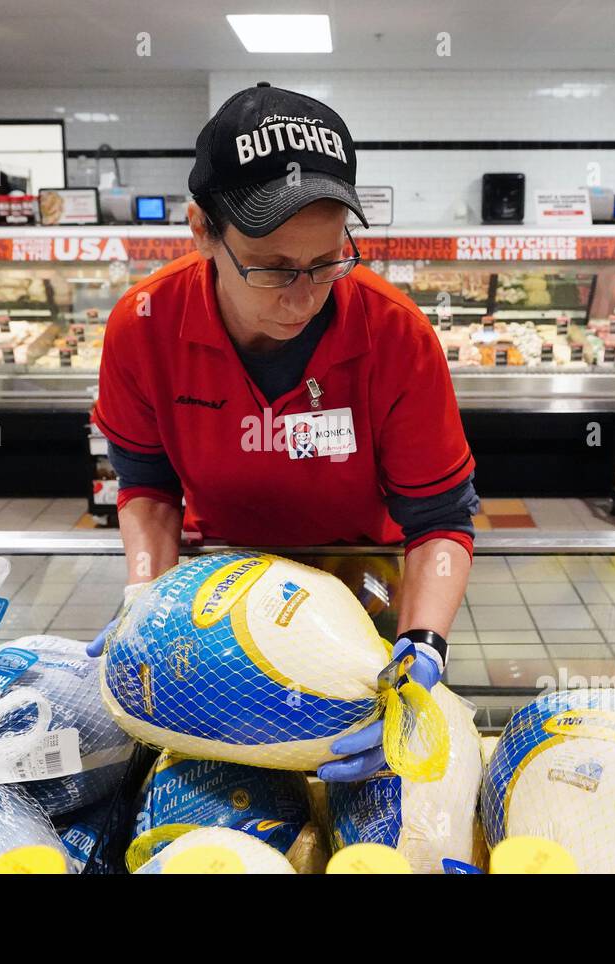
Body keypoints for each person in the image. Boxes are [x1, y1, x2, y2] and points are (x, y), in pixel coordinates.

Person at [88, 84, 479, 782]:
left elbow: (441, 520)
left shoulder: (394, 334)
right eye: (271, 267)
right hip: (218, 590)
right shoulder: (143, 323)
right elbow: (146, 485)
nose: (303, 296)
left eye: (327, 261)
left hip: (363, 582)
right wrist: (142, 598)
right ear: (202, 230)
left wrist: (423, 646)